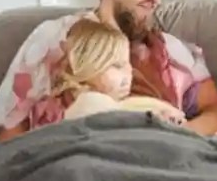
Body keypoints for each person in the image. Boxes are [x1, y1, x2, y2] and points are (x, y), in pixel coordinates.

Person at [0, 0, 217, 140]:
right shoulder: (54, 40)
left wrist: (177, 137)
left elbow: (216, 111)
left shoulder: (170, 49)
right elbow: (11, 130)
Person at [52, 19, 188, 124]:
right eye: (117, 66)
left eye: (128, 64)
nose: (129, 72)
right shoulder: (85, 102)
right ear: (89, 66)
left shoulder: (122, 104)